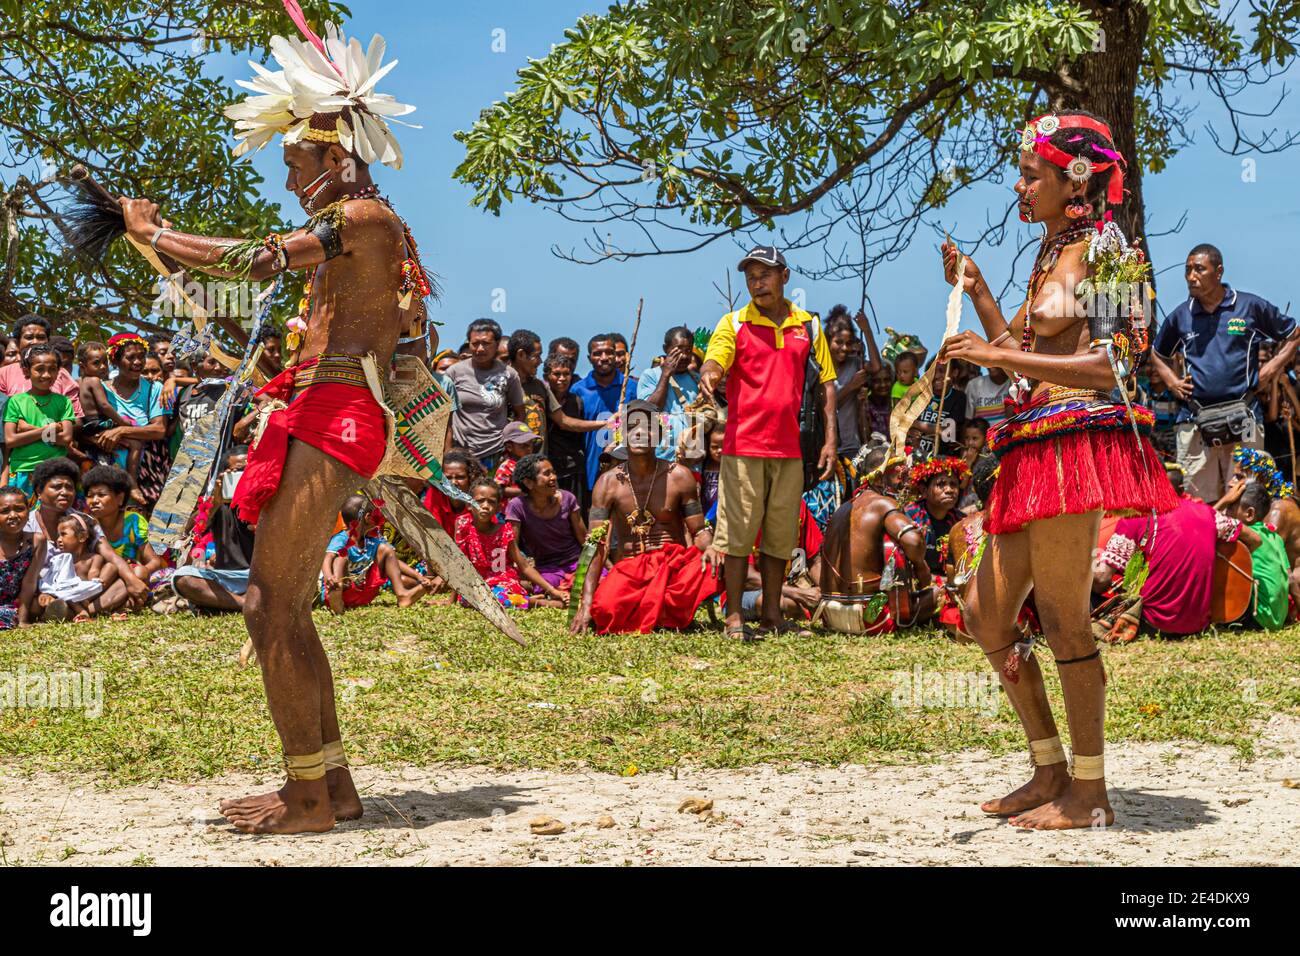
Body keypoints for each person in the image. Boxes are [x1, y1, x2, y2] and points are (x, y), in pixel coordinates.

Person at [120, 17, 436, 832]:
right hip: (322, 404)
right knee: (279, 607)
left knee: (267, 605)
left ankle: (307, 798)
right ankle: (330, 788)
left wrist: (157, 235)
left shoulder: (361, 218)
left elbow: (259, 258)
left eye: (297, 162)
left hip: (340, 410)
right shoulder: (358, 227)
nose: (291, 178)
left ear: (336, 157)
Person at [938, 108, 1178, 829]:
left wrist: (998, 356)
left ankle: (1091, 792)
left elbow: (1115, 367)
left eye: (1030, 173)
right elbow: (1021, 346)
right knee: (984, 613)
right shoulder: (1052, 253)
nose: (1019, 184)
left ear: (1074, 177)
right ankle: (1048, 767)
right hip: (1031, 450)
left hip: (1075, 450)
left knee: (1068, 622)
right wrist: (978, 291)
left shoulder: (1111, 254)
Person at [699, 246, 837, 641]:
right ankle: (734, 619)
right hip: (743, 445)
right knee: (737, 536)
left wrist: (830, 441)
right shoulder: (734, 322)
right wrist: (710, 374)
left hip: (791, 448)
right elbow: (716, 359)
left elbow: (826, 384)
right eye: (751, 276)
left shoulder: (807, 325)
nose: (757, 283)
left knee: (780, 537)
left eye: (765, 274)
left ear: (784, 276)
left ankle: (773, 615)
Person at [1149, 243, 1299, 501]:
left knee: (1245, 500)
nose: (1191, 276)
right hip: (1195, 422)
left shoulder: (1249, 307)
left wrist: (1272, 369)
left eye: (1199, 269)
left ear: (1218, 272)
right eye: (1187, 270)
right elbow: (1156, 353)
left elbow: (1293, 334)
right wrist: (1172, 382)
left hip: (1245, 417)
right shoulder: (1180, 316)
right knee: (1199, 504)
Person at [569, 400, 722, 635]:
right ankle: (658, 613)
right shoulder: (607, 483)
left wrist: (711, 548)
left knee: (715, 562)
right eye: (632, 426)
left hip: (673, 569)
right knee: (604, 609)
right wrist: (586, 604)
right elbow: (594, 545)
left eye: (647, 426)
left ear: (660, 434)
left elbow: (698, 531)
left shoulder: (680, 477)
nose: (640, 432)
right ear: (622, 433)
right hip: (630, 569)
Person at [1093, 464, 1259, 640]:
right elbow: (1255, 540)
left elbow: (1101, 581)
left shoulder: (1135, 516)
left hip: (1153, 624)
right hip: (1197, 625)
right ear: (1181, 488)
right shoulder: (1209, 514)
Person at [815, 445, 932, 633]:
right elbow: (914, 541)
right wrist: (921, 568)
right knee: (941, 593)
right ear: (878, 478)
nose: (904, 484)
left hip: (829, 615)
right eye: (898, 476)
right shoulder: (883, 503)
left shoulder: (842, 509)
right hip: (869, 616)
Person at [25, 457, 146, 610]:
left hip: (84, 590)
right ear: (39, 492)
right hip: (45, 591)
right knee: (39, 604)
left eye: (69, 487)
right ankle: (79, 610)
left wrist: (131, 580)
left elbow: (110, 555)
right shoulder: (26, 525)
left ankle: (85, 610)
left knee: (138, 573)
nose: (65, 492)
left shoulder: (85, 521)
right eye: (57, 487)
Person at [454, 477, 567, 608]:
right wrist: (453, 599)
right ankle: (529, 601)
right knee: (469, 598)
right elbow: (458, 561)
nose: (485, 506)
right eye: (479, 501)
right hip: (476, 583)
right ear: (469, 504)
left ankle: (532, 600)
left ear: (498, 508)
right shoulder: (463, 525)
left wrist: (552, 590)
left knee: (495, 596)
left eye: (491, 502)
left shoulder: (504, 531)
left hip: (502, 581)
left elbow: (523, 565)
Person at [89, 334, 169, 508]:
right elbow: (85, 428)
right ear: (115, 360)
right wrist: (101, 439)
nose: (138, 362)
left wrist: (121, 431)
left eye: (141, 356)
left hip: (147, 478)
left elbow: (159, 429)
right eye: (130, 357)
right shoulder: (100, 389)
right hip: (106, 475)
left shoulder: (154, 388)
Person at [171, 449, 255, 614]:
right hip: (228, 578)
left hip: (263, 577)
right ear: (224, 475)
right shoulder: (217, 504)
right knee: (182, 577)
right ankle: (246, 604)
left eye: (248, 470)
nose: (242, 476)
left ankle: (223, 603)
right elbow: (193, 528)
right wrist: (216, 501)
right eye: (237, 472)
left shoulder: (267, 498)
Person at [321, 494, 431, 612]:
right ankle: (337, 603)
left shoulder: (372, 540)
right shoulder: (342, 538)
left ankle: (403, 595)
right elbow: (328, 557)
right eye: (377, 513)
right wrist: (328, 577)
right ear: (368, 517)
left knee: (386, 550)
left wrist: (419, 577)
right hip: (340, 588)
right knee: (341, 558)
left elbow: (394, 562)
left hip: (361, 592)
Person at [506, 328, 603, 460]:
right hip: (510, 464)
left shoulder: (539, 386)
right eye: (537, 356)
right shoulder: (502, 386)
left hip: (538, 465)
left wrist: (604, 424)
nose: (540, 361)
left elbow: (564, 421)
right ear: (521, 355)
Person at [446, 319, 526, 472]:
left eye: (486, 343)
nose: (480, 349)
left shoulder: (509, 375)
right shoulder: (454, 372)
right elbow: (446, 418)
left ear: (497, 344)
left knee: (490, 495)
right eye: (475, 343)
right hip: (461, 453)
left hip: (496, 453)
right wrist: (448, 453)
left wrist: (508, 444)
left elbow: (520, 413)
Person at [505, 454, 586, 597]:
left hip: (577, 562)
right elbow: (514, 550)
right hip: (547, 568)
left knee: (595, 582)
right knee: (544, 588)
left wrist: (604, 567)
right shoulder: (516, 507)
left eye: (553, 472)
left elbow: (585, 540)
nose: (553, 477)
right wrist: (550, 589)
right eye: (547, 474)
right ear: (529, 483)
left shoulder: (568, 498)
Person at [3, 345, 75, 494]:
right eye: (40, 369)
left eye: (52, 369)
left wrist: (29, 430)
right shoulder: (15, 401)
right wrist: (48, 430)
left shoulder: (64, 402)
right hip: (24, 470)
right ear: (26, 371)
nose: (47, 375)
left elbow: (66, 438)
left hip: (56, 471)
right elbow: (11, 440)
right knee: (23, 515)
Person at [1219, 480, 1291, 630]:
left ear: (1249, 514)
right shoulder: (1274, 536)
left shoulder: (1244, 535)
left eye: (1231, 507)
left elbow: (1203, 523)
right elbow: (1289, 576)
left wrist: (1223, 501)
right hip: (1277, 617)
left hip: (1257, 617)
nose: (1226, 513)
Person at [34, 511, 129, 622]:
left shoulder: (93, 558)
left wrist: (95, 581)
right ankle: (75, 612)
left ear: (82, 537)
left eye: (63, 534)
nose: (58, 539)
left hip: (89, 595)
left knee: (111, 568)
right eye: (58, 535)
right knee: (64, 597)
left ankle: (80, 611)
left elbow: (93, 573)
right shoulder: (61, 560)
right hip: (69, 597)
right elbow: (55, 582)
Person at [83, 464, 167, 587]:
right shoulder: (86, 524)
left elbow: (154, 561)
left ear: (120, 498)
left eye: (101, 495)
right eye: (90, 496)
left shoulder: (133, 521)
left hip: (132, 576)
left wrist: (141, 571)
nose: (94, 500)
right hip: (101, 579)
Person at [570, 333, 627, 491]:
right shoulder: (578, 390)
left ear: (616, 355)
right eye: (597, 353)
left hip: (626, 473)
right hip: (589, 473)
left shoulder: (630, 388)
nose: (604, 357)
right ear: (589, 358)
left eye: (609, 352)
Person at [825, 309, 882, 464]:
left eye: (848, 343)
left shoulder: (854, 364)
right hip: (826, 446)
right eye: (838, 342)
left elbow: (876, 366)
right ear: (828, 340)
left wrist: (867, 329)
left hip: (851, 447)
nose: (844, 348)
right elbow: (825, 407)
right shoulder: (819, 369)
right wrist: (851, 386)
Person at [0, 316, 84, 414]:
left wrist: (50, 428)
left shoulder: (62, 374)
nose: (35, 342)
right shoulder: (3, 374)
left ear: (48, 342)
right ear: (18, 342)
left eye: (41, 337)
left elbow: (76, 420)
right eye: (29, 337)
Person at [903, 457, 967, 579]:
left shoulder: (962, 522)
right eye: (941, 484)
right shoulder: (909, 517)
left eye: (953, 484)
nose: (949, 490)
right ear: (924, 490)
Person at [544, 355, 587, 506]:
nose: (562, 378)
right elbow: (564, 423)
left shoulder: (576, 401)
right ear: (546, 376)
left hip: (573, 467)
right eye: (557, 374)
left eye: (566, 374)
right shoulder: (541, 399)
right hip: (548, 468)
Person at [0, 485, 42, 629]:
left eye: (19, 509)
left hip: (12, 605)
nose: (13, 515)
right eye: (4, 511)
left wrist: (23, 620)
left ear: (28, 510)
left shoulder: (37, 541)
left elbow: (29, 583)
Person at [912, 360, 966, 458]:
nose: (936, 376)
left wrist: (915, 424)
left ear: (954, 372)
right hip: (916, 455)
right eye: (932, 372)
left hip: (942, 461)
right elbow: (904, 425)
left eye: (941, 371)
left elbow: (947, 432)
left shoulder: (959, 398)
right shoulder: (921, 395)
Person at [493, 421, 539, 499]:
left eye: (531, 443)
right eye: (523, 445)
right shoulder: (506, 467)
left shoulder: (534, 464)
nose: (529, 448)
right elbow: (499, 489)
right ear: (509, 447)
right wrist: (525, 492)